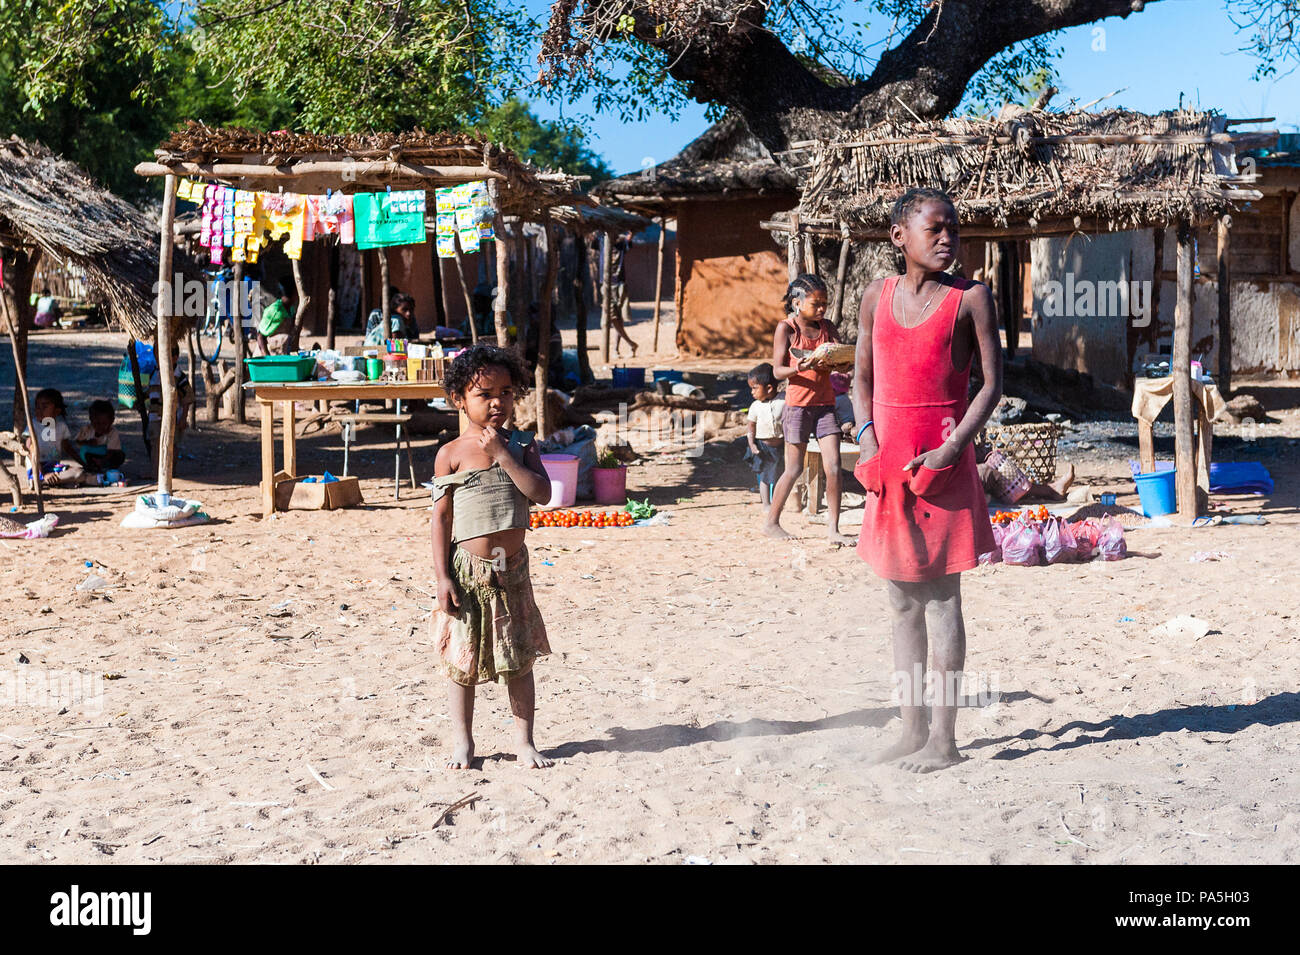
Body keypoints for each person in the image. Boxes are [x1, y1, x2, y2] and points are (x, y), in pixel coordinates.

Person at [853, 187, 1002, 773]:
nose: (947, 239)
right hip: (888, 463)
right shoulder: (875, 296)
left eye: (954, 230)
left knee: (942, 600)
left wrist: (951, 449)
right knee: (899, 603)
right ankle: (910, 726)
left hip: (941, 461)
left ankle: (944, 738)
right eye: (934, 228)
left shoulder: (970, 300)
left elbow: (990, 385)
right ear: (899, 238)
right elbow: (861, 375)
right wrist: (866, 437)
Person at [431, 344, 556, 770]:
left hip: (512, 570)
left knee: (518, 658)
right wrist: (442, 576)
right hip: (467, 572)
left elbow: (542, 494)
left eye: (505, 391)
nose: (497, 402)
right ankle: (463, 742)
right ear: (459, 400)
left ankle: (524, 741)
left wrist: (505, 455)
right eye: (485, 394)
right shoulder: (450, 454)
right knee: (462, 660)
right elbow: (441, 518)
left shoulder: (521, 443)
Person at [762, 274, 853, 544]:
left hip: (825, 405)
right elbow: (777, 371)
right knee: (793, 469)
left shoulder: (827, 327)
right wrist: (802, 366)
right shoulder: (786, 329)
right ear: (797, 303)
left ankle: (833, 529)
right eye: (816, 303)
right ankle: (771, 522)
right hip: (798, 406)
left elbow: (841, 360)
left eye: (825, 303)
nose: (822, 309)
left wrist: (842, 364)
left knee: (834, 466)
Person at [744, 362, 785, 505]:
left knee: (779, 475)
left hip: (781, 447)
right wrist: (752, 445)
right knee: (765, 477)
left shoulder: (783, 401)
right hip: (763, 448)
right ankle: (766, 504)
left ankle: (778, 502)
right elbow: (751, 427)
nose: (752, 392)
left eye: (755, 388)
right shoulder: (755, 406)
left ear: (769, 388)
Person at [26, 388, 84, 486]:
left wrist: (84, 464)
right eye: (37, 407)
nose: (39, 410)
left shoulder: (61, 426)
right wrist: (44, 474)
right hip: (36, 466)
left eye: (44, 407)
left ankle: (45, 482)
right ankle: (41, 480)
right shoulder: (33, 425)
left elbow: (68, 448)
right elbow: (29, 451)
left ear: (56, 411)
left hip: (53, 466)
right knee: (75, 477)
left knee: (80, 473)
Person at [75, 399, 125, 476]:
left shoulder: (113, 432)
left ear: (112, 421)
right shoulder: (86, 429)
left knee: (120, 454)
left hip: (108, 456)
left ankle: (111, 468)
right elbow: (77, 442)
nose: (100, 426)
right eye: (97, 423)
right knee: (85, 450)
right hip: (92, 455)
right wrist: (87, 442)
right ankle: (93, 467)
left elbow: (111, 451)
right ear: (91, 420)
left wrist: (102, 460)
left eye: (104, 423)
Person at [608, 231, 638, 357]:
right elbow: (592, 239)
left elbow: (629, 240)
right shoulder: (603, 244)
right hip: (607, 284)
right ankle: (631, 343)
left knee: (618, 318)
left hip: (619, 284)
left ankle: (616, 349)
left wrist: (630, 233)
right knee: (612, 317)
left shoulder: (621, 244)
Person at [254, 282, 293, 355]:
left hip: (280, 354)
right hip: (267, 355)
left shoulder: (291, 309)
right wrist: (266, 357)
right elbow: (260, 335)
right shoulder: (275, 311)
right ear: (293, 294)